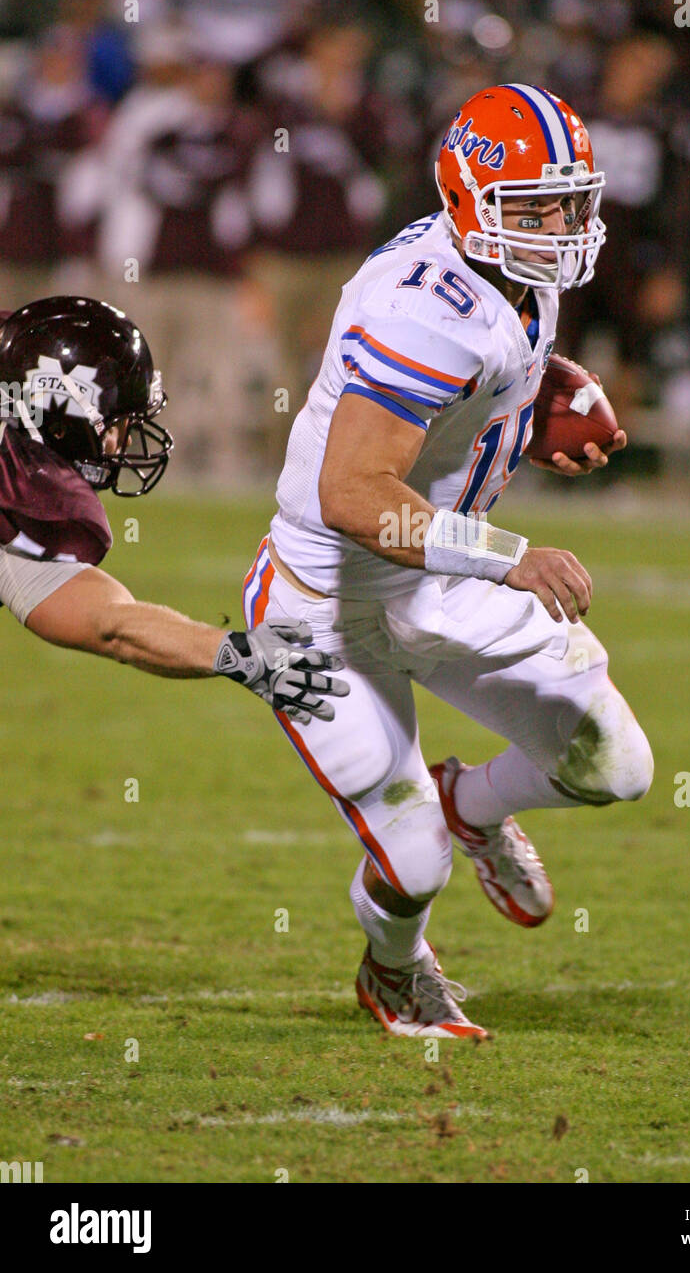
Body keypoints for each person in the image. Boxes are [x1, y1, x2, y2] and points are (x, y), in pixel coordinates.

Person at [245, 85, 653, 1038]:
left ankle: (469, 801)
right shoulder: (427, 312)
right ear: (472, 196)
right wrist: (507, 554)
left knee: (615, 764)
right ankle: (396, 969)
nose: (560, 227)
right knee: (413, 866)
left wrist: (525, 419)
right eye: (536, 208)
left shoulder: (511, 275)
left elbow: (488, 370)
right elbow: (353, 495)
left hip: (434, 576)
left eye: (570, 202)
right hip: (325, 602)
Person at [0, 296, 346, 720]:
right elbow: (112, 627)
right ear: (60, 422)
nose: (123, 443)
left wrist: (237, 653)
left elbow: (112, 622)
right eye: (116, 424)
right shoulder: (17, 496)